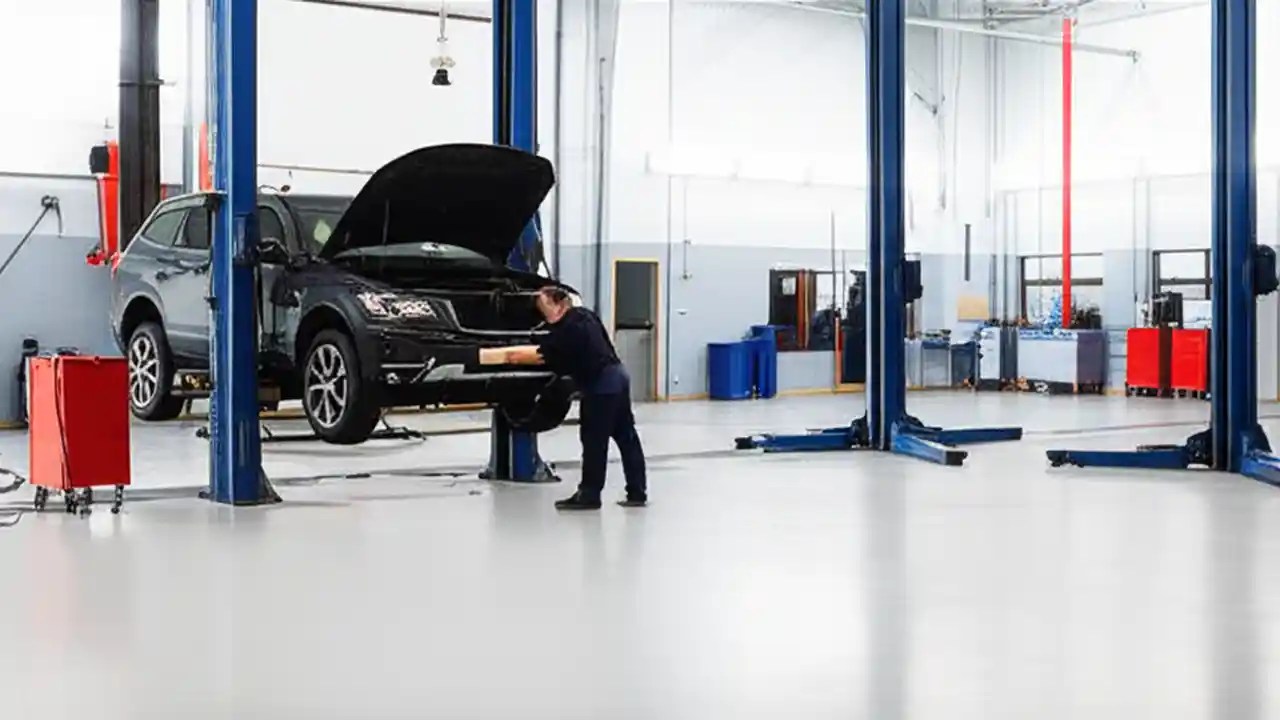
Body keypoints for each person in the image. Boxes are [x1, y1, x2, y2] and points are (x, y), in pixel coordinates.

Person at [482, 287, 648, 511]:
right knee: (626, 437)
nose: (542, 314)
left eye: (544, 307)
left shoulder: (568, 329)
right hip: (619, 376)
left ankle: (589, 495)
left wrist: (496, 355)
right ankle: (637, 492)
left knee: (593, 441)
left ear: (560, 305)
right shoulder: (586, 316)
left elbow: (540, 355)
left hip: (600, 386)